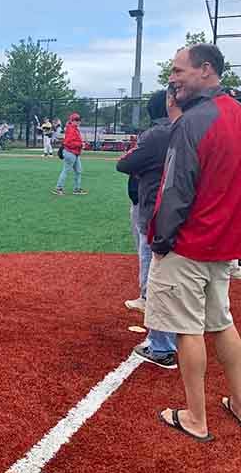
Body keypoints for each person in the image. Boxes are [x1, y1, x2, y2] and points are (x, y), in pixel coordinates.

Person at [147, 44, 241, 442]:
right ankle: (239, 402)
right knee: (222, 324)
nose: (173, 77)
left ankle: (196, 418)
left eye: (178, 70)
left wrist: (160, 241)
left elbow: (174, 191)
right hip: (224, 243)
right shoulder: (237, 113)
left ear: (206, 70)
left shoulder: (192, 121)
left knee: (187, 330)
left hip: (188, 243)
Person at [116, 89, 179, 369]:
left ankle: (162, 344)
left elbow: (125, 163)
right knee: (174, 274)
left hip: (156, 210)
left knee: (157, 270)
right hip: (179, 210)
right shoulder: (186, 128)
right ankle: (173, 335)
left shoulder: (157, 134)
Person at [51, 113, 87, 195]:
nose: (78, 121)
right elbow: (68, 143)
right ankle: (58, 188)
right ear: (72, 120)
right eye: (76, 120)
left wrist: (81, 144)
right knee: (66, 170)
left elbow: (74, 141)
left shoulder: (75, 128)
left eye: (79, 120)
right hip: (70, 152)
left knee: (78, 171)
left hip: (75, 152)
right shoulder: (71, 129)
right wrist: (80, 144)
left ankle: (76, 189)